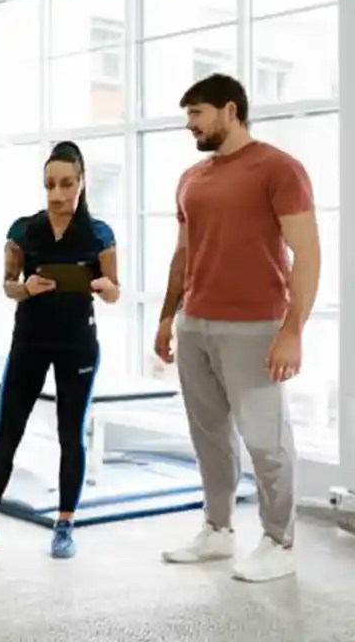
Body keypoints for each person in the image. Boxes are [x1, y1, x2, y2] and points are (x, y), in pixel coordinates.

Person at [154, 73, 319, 583]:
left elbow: (307, 253)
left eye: (197, 115)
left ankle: (279, 539)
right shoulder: (191, 177)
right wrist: (166, 316)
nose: (191, 126)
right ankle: (218, 530)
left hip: (255, 325)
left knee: (265, 439)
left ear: (230, 110)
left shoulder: (279, 169)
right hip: (196, 323)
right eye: (187, 117)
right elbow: (184, 252)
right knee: (208, 435)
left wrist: (293, 329)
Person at [0, 141, 120, 561]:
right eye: (50, 184)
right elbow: (8, 284)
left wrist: (104, 287)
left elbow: (115, 290)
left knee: (71, 436)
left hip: (77, 345)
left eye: (66, 184)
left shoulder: (99, 234)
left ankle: (64, 525)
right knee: (8, 432)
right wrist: (24, 288)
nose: (57, 193)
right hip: (30, 341)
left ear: (82, 183)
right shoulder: (23, 230)